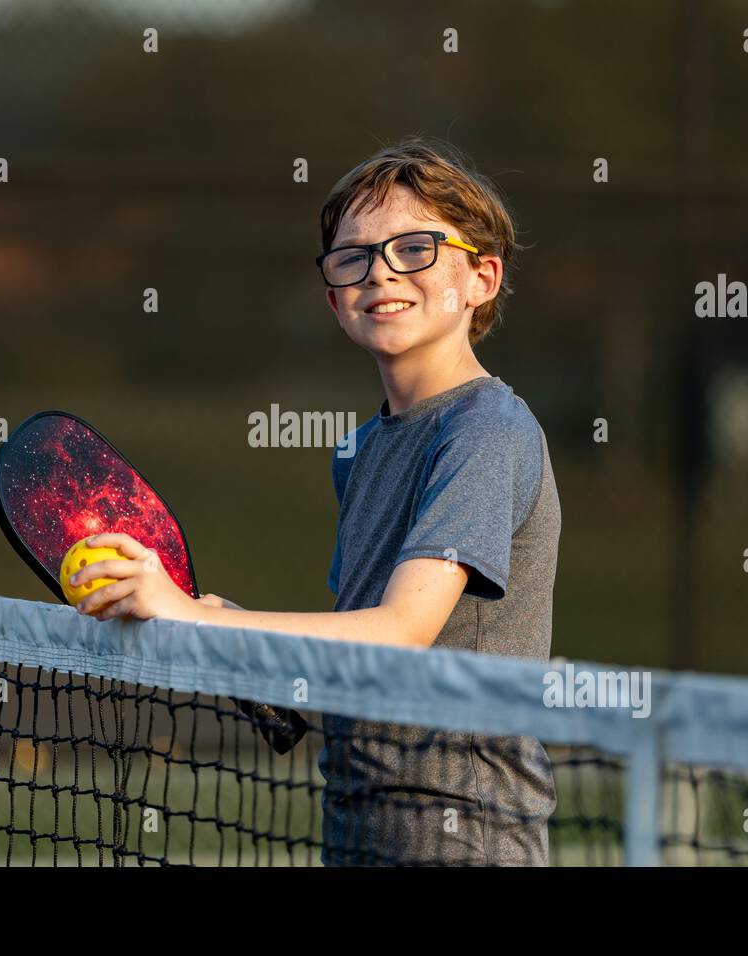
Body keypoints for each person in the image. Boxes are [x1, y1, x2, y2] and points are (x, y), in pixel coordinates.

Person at [72, 136, 560, 865]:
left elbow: (400, 632)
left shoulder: (486, 431)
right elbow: (352, 655)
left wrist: (187, 620)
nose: (382, 273)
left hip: (464, 840)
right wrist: (221, 623)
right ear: (335, 300)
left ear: (482, 278)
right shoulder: (362, 451)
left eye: (415, 248)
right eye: (354, 258)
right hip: (360, 833)